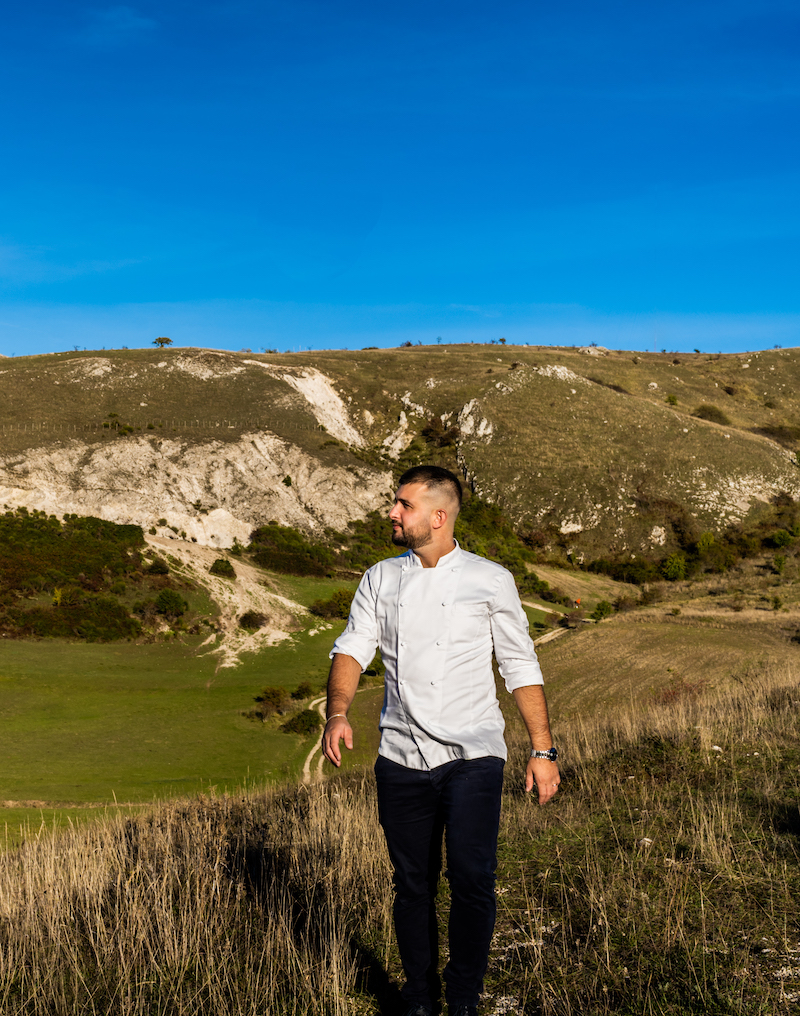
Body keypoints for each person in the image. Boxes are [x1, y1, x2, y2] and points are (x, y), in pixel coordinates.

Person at [322, 465, 560, 1016]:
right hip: (400, 758)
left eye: (402, 505)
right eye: (395, 504)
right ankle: (420, 998)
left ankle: (464, 1000)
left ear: (437, 515)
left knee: (473, 878)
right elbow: (353, 647)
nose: (392, 513)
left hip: (473, 754)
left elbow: (519, 665)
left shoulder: (489, 579)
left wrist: (542, 750)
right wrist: (338, 712)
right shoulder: (380, 578)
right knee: (412, 884)